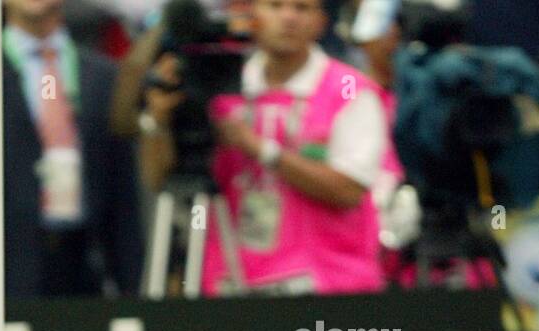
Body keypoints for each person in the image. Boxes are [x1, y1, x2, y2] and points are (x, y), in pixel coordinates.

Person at [141, 0, 388, 295]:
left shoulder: (348, 89)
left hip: (327, 288)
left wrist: (262, 151)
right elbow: (159, 179)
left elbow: (349, 190)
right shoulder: (222, 85)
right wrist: (158, 122)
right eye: (275, 5)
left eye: (302, 8)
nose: (288, 18)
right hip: (233, 282)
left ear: (321, 21)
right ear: (253, 15)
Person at [2, 0, 144, 297]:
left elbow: (124, 191)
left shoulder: (106, 76)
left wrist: (134, 282)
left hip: (85, 265)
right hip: (4, 265)